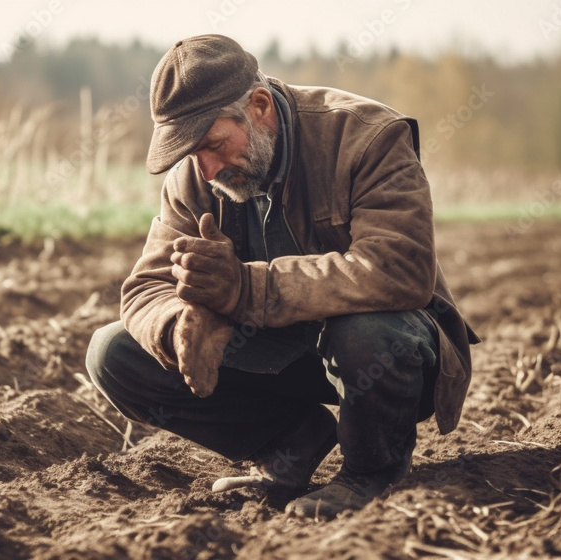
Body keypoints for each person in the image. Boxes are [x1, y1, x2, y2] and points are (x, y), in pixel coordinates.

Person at [85, 34, 480, 520]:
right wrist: (178, 325)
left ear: (259, 106)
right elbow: (147, 287)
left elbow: (399, 268)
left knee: (362, 331)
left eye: (214, 144)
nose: (207, 169)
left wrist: (247, 290)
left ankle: (371, 472)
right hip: (283, 357)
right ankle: (288, 443)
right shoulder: (195, 177)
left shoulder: (367, 136)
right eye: (192, 153)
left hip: (386, 355)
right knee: (113, 352)